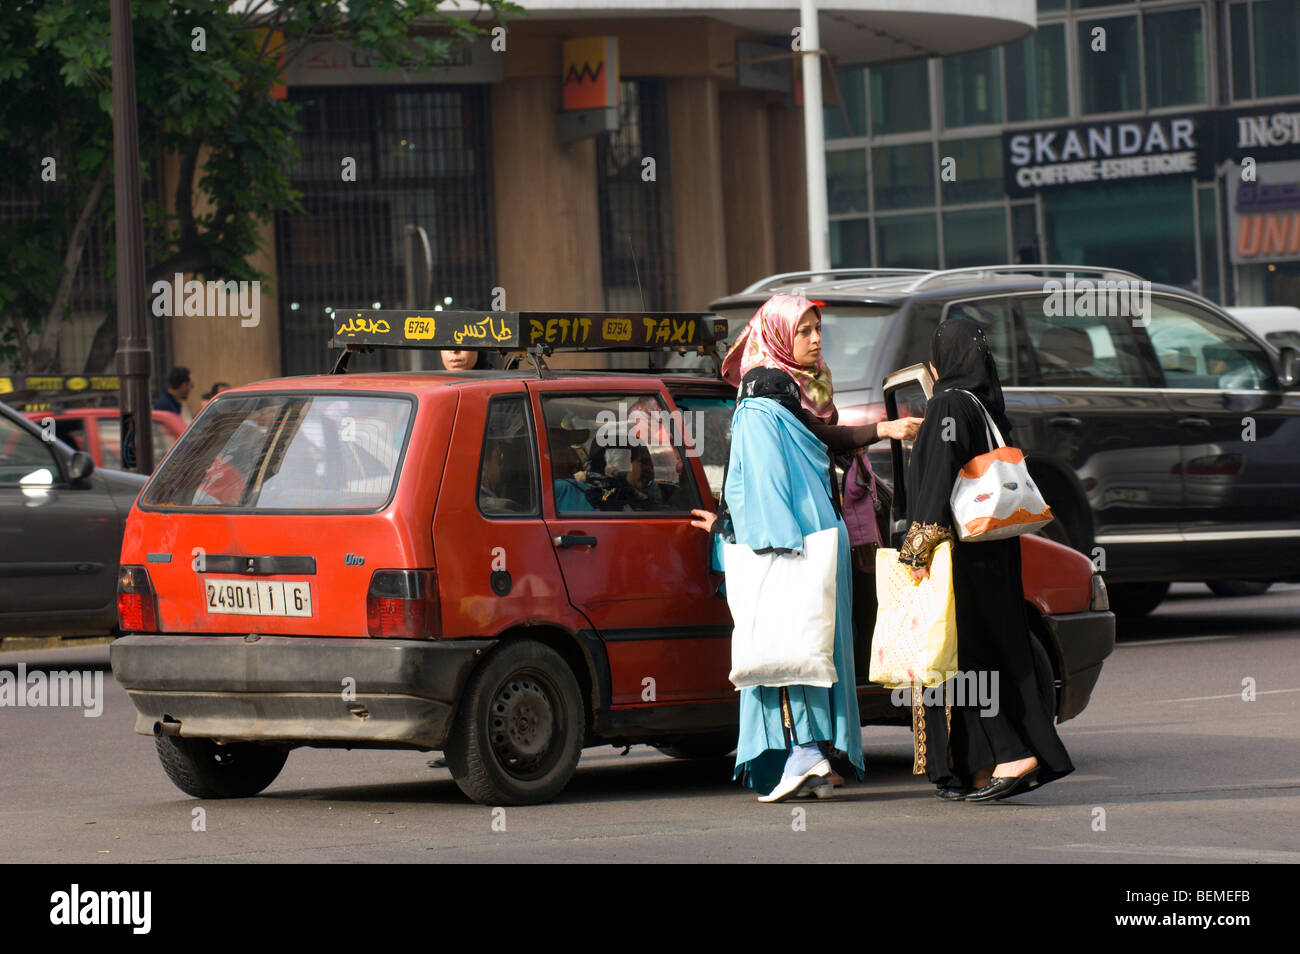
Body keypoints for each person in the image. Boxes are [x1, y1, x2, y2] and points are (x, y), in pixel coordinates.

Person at [692, 295, 871, 802]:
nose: (816, 340)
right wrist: (739, 525)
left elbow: (766, 490)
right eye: (805, 331)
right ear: (777, 339)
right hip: (811, 544)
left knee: (784, 652)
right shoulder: (775, 402)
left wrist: (753, 543)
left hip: (790, 548)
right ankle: (811, 758)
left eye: (818, 329)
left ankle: (806, 754)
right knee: (804, 649)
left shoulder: (764, 407)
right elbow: (773, 479)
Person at [898, 316, 1074, 802]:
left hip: (961, 559)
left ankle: (1012, 753)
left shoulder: (948, 404)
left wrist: (915, 552)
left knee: (968, 658)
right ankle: (980, 765)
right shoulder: (986, 406)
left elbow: (935, 486)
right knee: (997, 652)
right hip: (995, 551)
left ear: (943, 361)